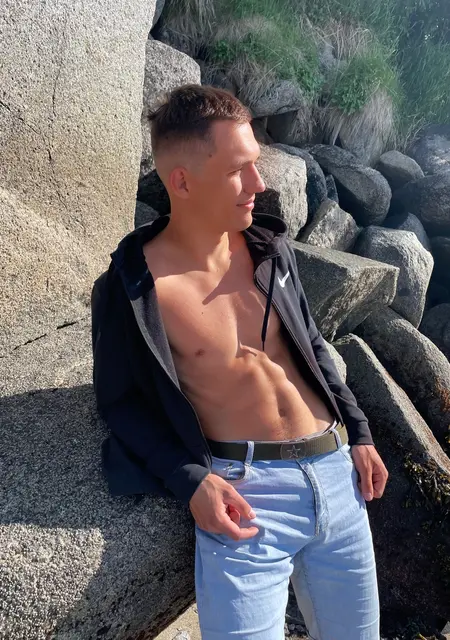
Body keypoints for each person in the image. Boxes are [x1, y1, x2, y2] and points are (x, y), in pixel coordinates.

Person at [91, 84, 388, 640]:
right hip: (246, 499)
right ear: (182, 182)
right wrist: (191, 482)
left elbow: (311, 346)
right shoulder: (133, 289)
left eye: (256, 163)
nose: (259, 183)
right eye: (237, 170)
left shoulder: (268, 249)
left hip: (336, 472)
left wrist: (360, 430)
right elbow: (120, 402)